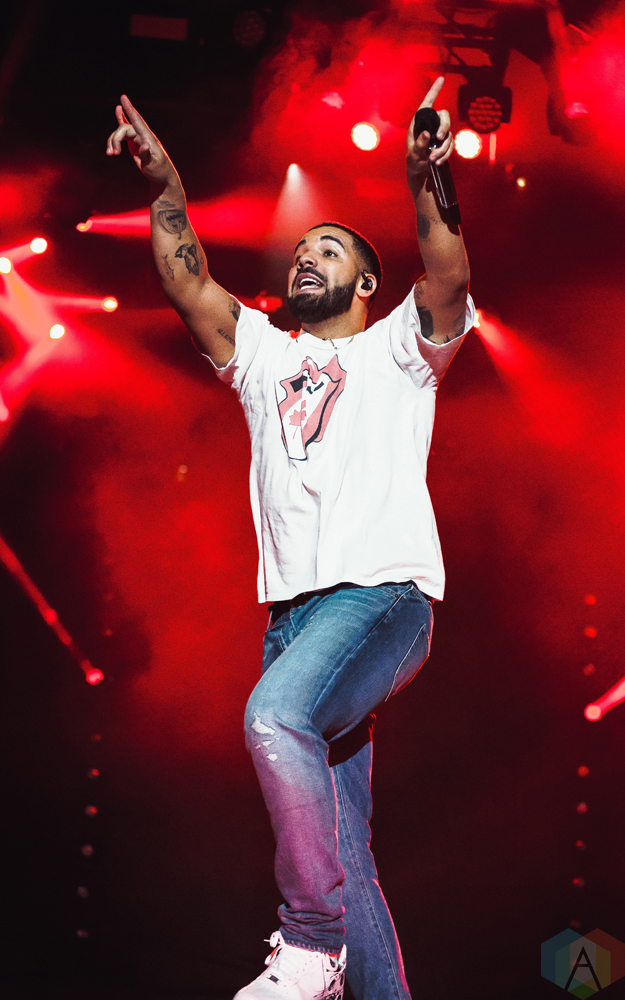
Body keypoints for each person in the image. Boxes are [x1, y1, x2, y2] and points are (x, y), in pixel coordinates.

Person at [106, 75, 473, 1000]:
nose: (308, 257)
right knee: (347, 852)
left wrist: (426, 181)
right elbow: (186, 277)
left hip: (382, 597)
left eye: (330, 249)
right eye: (302, 248)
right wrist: (164, 188)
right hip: (294, 622)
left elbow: (448, 275)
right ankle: (356, 962)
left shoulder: (399, 349)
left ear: (365, 278)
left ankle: (307, 944)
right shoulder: (263, 355)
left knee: (273, 717)